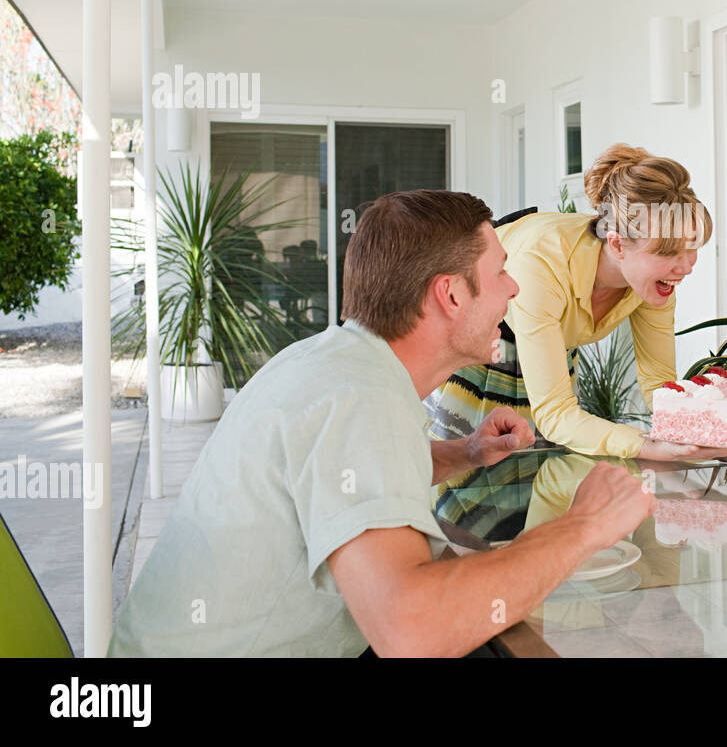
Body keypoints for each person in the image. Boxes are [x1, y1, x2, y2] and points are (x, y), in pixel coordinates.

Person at [109, 190, 656, 657]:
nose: (514, 290)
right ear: (449, 294)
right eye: (500, 273)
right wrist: (583, 526)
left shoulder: (334, 361)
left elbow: (336, 477)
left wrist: (463, 454)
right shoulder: (358, 399)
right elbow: (411, 630)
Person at [426, 143, 721, 461]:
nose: (687, 266)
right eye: (668, 253)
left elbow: (658, 382)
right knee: (471, 472)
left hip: (544, 335)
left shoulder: (654, 281)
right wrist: (646, 446)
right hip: (477, 340)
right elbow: (555, 415)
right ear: (618, 245)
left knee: (546, 469)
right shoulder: (540, 267)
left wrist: (713, 434)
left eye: (692, 247)